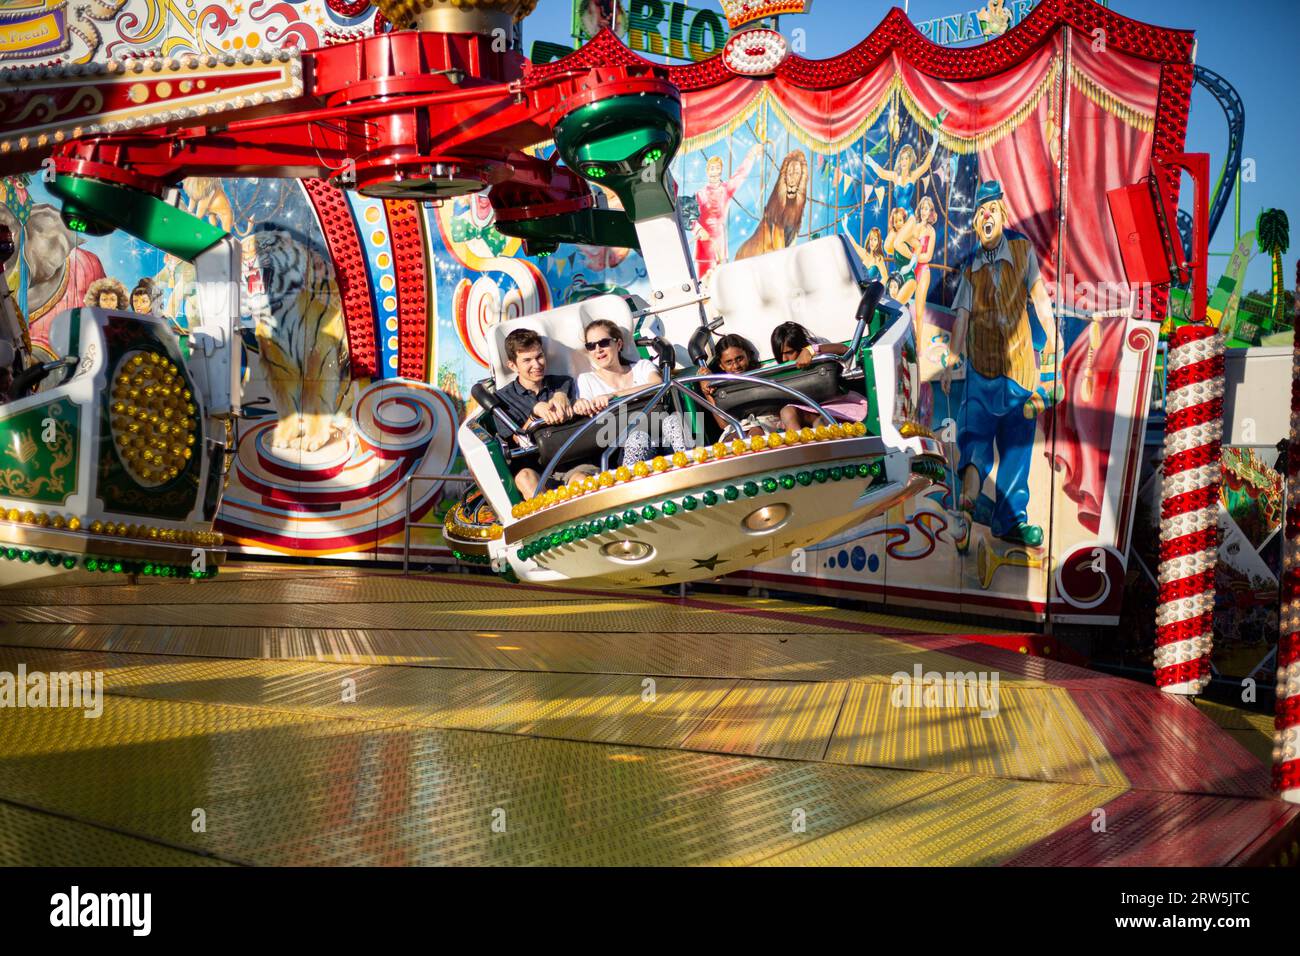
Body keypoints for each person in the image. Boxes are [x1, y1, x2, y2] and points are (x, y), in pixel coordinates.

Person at [941, 180, 1059, 549]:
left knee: (1016, 449)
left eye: (990, 209)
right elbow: (961, 316)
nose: (984, 216)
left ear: (1001, 213)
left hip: (1021, 371)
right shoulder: (971, 267)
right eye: (979, 212)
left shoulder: (1022, 251)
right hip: (981, 374)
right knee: (974, 443)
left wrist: (1055, 343)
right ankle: (966, 510)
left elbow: (1040, 300)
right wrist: (952, 358)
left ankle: (1010, 522)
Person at [494, 328, 597, 500]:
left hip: (573, 462)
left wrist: (573, 402)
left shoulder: (564, 383)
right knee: (524, 478)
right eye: (527, 360)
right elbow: (515, 441)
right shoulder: (502, 399)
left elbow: (579, 404)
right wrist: (534, 416)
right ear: (512, 365)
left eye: (539, 356)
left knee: (580, 481)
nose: (537, 365)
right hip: (537, 468)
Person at [575, 319, 689, 465]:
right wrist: (580, 404)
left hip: (660, 436)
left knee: (673, 421)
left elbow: (658, 385)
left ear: (619, 344)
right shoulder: (586, 380)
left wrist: (614, 396)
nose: (598, 349)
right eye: (591, 346)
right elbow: (584, 406)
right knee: (638, 438)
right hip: (618, 447)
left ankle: (690, 467)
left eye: (603, 343)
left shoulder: (641, 367)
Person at [769, 322, 869, 430]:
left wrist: (811, 351)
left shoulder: (817, 353)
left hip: (837, 405)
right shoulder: (776, 368)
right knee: (787, 412)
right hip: (808, 408)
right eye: (780, 355)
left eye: (789, 352)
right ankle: (798, 444)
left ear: (800, 347)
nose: (784, 359)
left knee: (821, 422)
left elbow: (844, 349)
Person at [697, 333, 779, 438]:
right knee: (731, 441)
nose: (736, 366)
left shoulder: (766, 371)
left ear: (748, 356)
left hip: (767, 421)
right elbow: (724, 425)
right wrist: (707, 391)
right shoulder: (719, 384)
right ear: (721, 365)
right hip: (736, 427)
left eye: (739, 359)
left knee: (755, 435)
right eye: (729, 362)